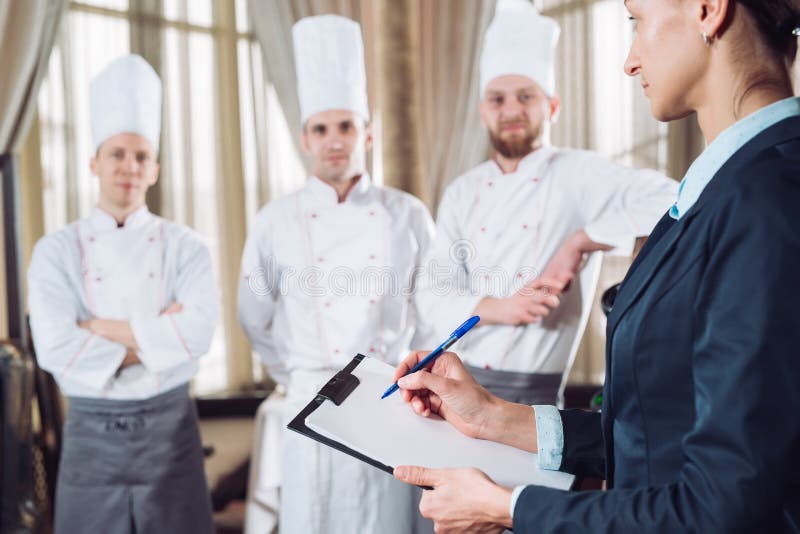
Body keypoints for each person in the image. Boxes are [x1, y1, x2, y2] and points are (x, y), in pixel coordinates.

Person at [392, 0, 800, 532]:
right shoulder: (729, 189)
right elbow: (656, 436)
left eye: (638, 21)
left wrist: (504, 508)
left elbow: (721, 505)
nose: (630, 61)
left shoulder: (763, 200)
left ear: (707, 10)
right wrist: (493, 415)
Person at [417, 0, 677, 407]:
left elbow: (675, 197)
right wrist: (501, 308)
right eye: (497, 100)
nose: (511, 111)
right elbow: (432, 294)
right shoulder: (462, 191)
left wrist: (581, 240)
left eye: (525, 96)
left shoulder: (578, 173)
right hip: (457, 382)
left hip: (534, 398)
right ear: (483, 111)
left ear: (551, 106)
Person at [237, 15, 435, 533]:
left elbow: (431, 309)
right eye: (322, 129)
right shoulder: (274, 220)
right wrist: (296, 373)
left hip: (385, 400)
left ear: (367, 133)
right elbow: (253, 315)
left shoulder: (407, 213)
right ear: (305, 138)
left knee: (384, 521)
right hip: (310, 400)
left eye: (346, 126)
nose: (334, 141)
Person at [28, 54, 217, 533]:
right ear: (94, 162)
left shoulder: (187, 247)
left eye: (141, 156)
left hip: (170, 435)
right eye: (117, 154)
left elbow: (197, 335)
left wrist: (100, 330)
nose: (129, 167)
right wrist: (158, 335)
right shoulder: (55, 251)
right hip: (92, 439)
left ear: (154, 169)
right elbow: (54, 345)